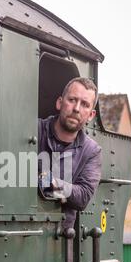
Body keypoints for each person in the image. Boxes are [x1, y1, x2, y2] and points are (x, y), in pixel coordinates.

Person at [38, 77, 102, 229]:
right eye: (72, 100)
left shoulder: (92, 151)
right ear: (60, 103)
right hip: (25, 229)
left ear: (91, 115)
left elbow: (83, 197)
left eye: (85, 104)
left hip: (60, 240)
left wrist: (49, 181)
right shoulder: (35, 129)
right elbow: (21, 171)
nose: (77, 109)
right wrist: (66, 193)